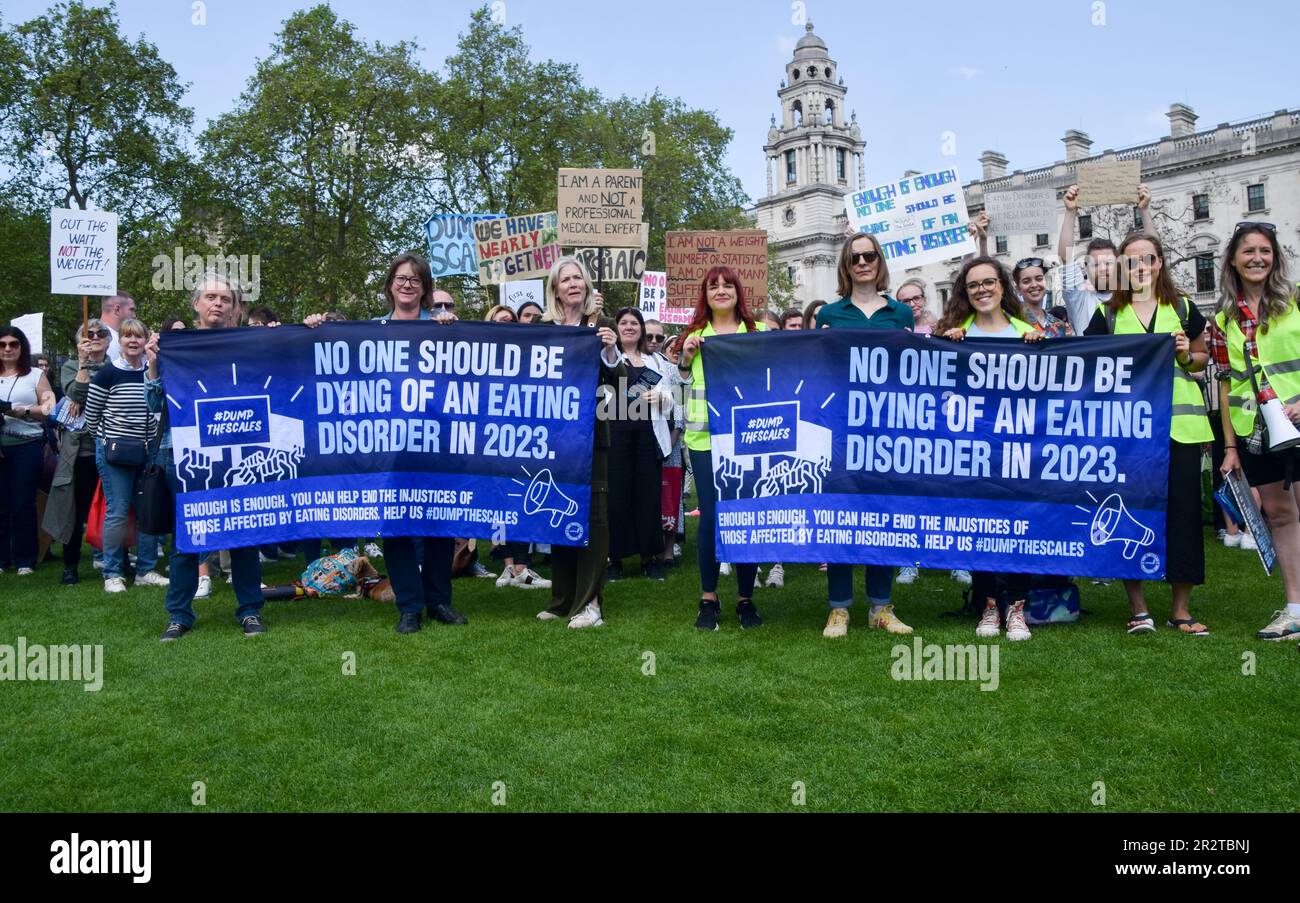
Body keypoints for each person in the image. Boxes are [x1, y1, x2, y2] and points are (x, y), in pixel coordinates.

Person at [1084, 232, 1212, 635]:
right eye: (1132, 260)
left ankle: (1181, 608)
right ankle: (1138, 608)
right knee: (1132, 512)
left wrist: (1184, 355)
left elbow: (1201, 361)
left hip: (1182, 429)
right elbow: (1089, 367)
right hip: (1129, 434)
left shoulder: (1184, 307)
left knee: (1185, 516)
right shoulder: (1107, 316)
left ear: (1159, 263)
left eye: (1148, 259)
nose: (1141, 267)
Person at [811, 234, 922, 638]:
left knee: (883, 514)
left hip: (887, 427)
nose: (862, 262)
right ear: (845, 264)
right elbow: (813, 367)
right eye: (854, 257)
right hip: (840, 426)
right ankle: (839, 608)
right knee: (840, 514)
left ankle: (881, 606)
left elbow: (913, 369)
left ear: (879, 261)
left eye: (869, 255)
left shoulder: (899, 314)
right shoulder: (831, 314)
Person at [147, 274, 266, 641]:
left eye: (225, 298)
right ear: (196, 305)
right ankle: (179, 615)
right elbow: (155, 405)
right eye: (210, 297)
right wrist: (153, 365)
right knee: (188, 539)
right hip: (184, 454)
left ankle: (249, 611)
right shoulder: (172, 346)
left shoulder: (249, 345)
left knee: (244, 536)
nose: (217, 303)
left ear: (235, 308)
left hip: (239, 450)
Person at [934, 257, 1045, 641]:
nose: (982, 290)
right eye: (973, 285)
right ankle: (987, 606)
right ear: (965, 293)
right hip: (973, 452)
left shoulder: (1028, 334)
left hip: (1017, 451)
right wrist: (947, 352)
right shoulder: (952, 338)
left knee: (1018, 525)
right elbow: (941, 398)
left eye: (989, 282)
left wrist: (1038, 346)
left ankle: (1016, 608)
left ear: (1003, 287)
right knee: (979, 526)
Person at [1208, 222, 1300, 641]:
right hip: (1256, 432)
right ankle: (1295, 609)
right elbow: (1226, 384)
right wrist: (1230, 445)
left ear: (1275, 258)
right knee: (1280, 515)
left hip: (1298, 421)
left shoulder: (1296, 301)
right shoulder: (1223, 318)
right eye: (1248, 251)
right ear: (1233, 260)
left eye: (1265, 250)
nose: (1257, 258)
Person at [537, 256, 624, 628]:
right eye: (565, 279)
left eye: (578, 278)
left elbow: (618, 373)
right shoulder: (544, 329)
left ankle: (591, 605)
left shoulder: (601, 325)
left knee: (593, 516)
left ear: (587, 286)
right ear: (555, 289)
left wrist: (608, 347)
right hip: (553, 437)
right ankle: (562, 599)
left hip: (590, 434)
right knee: (557, 510)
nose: (573, 284)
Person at [678, 266, 765, 630]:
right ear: (706, 295)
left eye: (728, 285)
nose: (721, 290)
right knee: (712, 518)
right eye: (713, 286)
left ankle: (746, 598)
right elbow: (682, 378)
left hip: (747, 438)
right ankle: (708, 598)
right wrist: (684, 357)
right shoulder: (695, 336)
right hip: (704, 440)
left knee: (745, 515)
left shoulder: (758, 334)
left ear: (737, 292)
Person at [82, 318, 169, 593]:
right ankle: (112, 572)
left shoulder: (154, 371)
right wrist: (107, 443)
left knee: (147, 511)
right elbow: (91, 417)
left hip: (148, 451)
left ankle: (146, 569)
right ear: (119, 342)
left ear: (146, 341)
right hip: (115, 452)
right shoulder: (107, 374)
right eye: (127, 337)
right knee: (118, 512)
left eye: (138, 337)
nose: (133, 341)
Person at [607, 306, 676, 583]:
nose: (629, 327)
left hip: (648, 437)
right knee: (617, 497)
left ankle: (651, 558)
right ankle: (615, 560)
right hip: (616, 436)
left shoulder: (656, 362)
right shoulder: (609, 358)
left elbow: (671, 399)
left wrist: (660, 399)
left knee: (648, 497)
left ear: (641, 329)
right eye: (623, 322)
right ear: (617, 327)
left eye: (634, 323)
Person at [44, 319, 112, 584]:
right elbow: (76, 393)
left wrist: (83, 396)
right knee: (75, 507)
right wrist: (84, 365)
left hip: (109, 447)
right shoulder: (71, 366)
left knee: (112, 508)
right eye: (88, 334)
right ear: (78, 342)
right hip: (81, 451)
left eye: (100, 332)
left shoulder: (115, 365)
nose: (95, 336)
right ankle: (70, 565)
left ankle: (115, 561)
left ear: (108, 339)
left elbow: (105, 398)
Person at [1057, 184, 1151, 334]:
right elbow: (1065, 258)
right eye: (1095, 264)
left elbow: (1152, 252)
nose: (1102, 269)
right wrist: (1070, 211)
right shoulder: (1079, 300)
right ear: (1086, 269)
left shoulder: (1135, 295)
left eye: (1108, 263)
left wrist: (1144, 211)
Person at [0, 326, 55, 576]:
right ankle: (2, 559)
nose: (8, 349)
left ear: (22, 347)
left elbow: (50, 406)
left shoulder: (34, 374)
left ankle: (25, 559)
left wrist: (24, 411)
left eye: (13, 344)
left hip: (27, 445)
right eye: (3, 344)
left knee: (23, 503)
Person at [1012, 258, 1073, 338]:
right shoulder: (1011, 322)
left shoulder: (1059, 325)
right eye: (1026, 281)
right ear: (1018, 289)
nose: (1034, 285)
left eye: (1039, 279)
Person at [98, 292, 136, 361]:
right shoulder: (106, 339)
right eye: (131, 310)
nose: (134, 315)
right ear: (117, 309)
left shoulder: (91, 336)